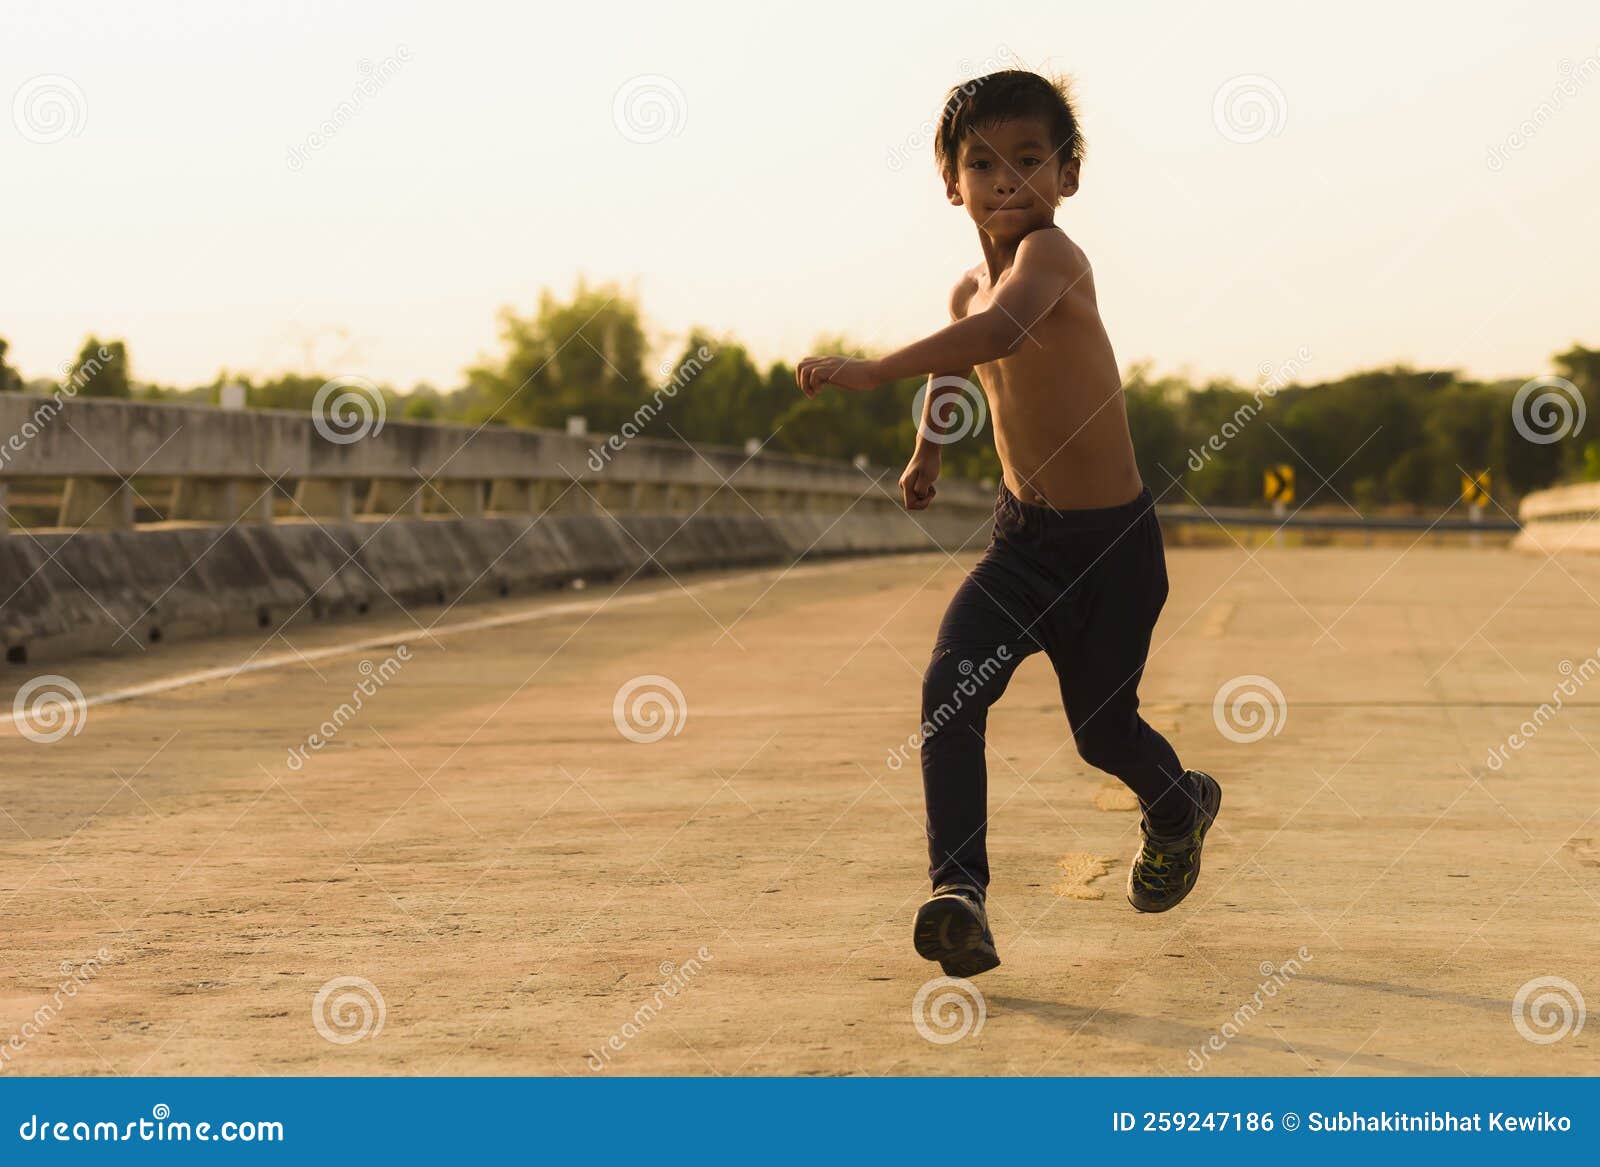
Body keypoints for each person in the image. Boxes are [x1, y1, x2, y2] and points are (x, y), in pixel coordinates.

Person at [795, 69, 1220, 978]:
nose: (1006, 182)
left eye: (1029, 162)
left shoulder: (1054, 261)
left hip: (1111, 550)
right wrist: (929, 454)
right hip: (1024, 544)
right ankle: (959, 893)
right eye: (982, 164)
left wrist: (874, 370)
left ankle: (1179, 803)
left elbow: (1004, 334)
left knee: (1103, 735)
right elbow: (963, 368)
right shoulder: (963, 293)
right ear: (950, 183)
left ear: (1068, 176)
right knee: (950, 695)